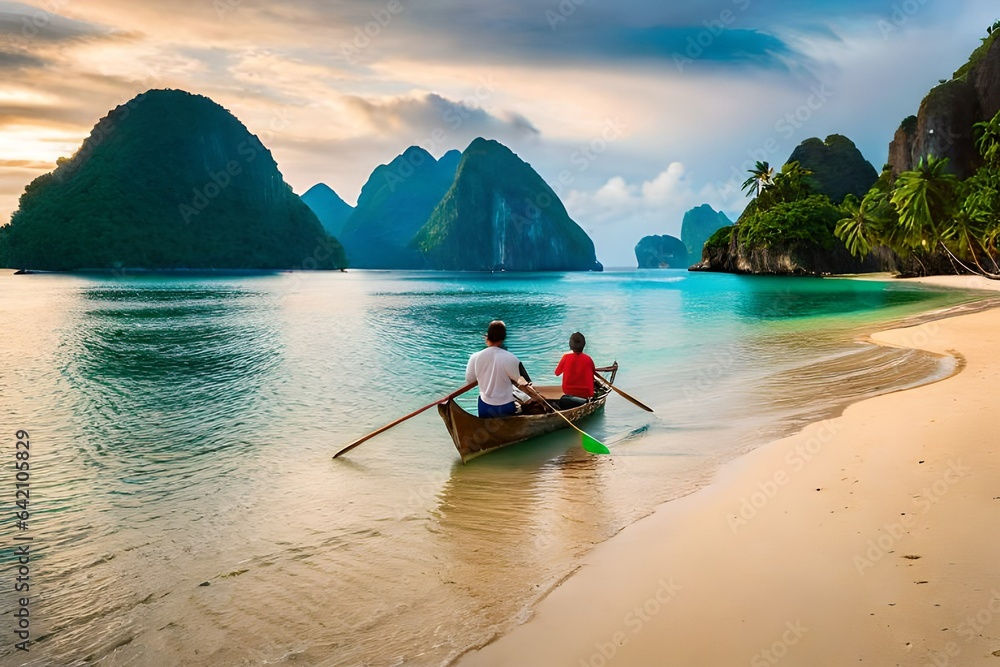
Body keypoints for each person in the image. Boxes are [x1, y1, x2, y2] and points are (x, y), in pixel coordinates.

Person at [466, 320, 529, 418]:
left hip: (484, 408)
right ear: (504, 338)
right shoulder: (511, 358)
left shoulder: (475, 357)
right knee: (520, 403)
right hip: (505, 408)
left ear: (487, 336)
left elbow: (470, 381)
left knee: (482, 397)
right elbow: (520, 380)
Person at [554, 332, 596, 409]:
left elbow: (556, 373)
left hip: (568, 392)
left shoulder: (565, 357)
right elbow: (593, 373)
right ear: (584, 345)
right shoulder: (588, 359)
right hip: (586, 393)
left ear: (570, 345)